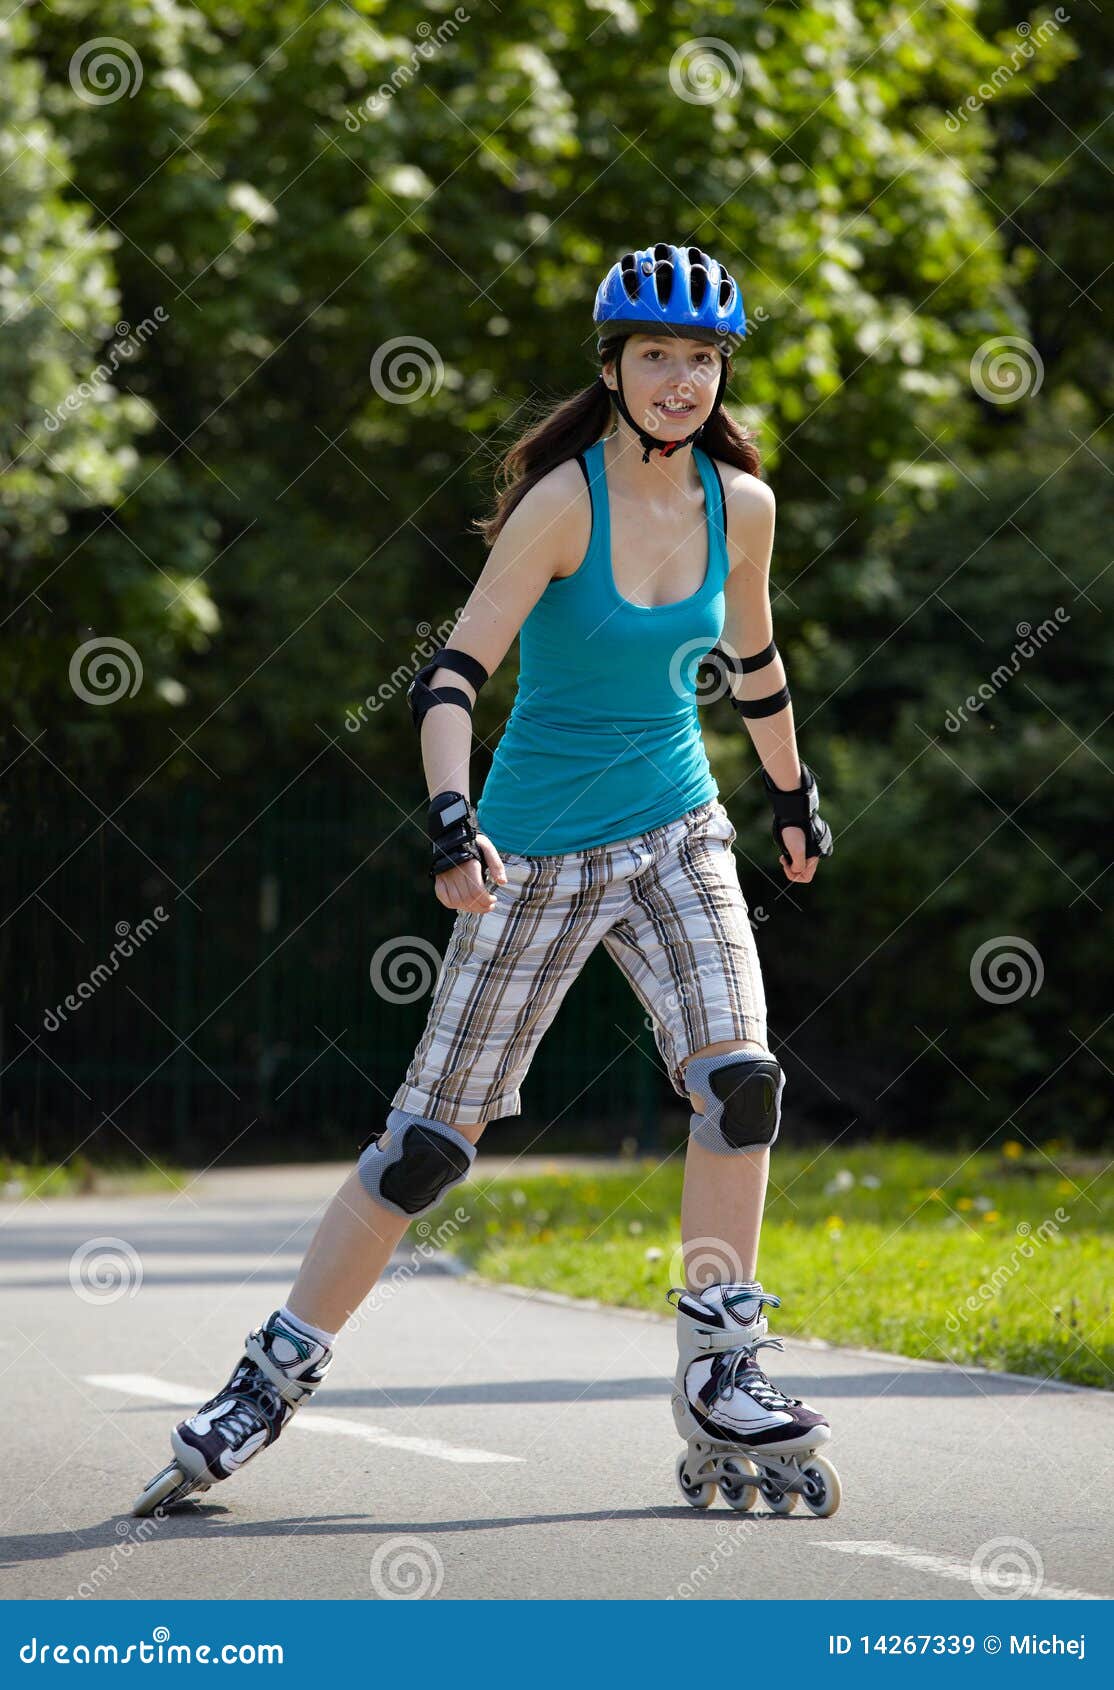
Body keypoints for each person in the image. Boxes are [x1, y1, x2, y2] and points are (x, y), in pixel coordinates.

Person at [132, 241, 838, 1519]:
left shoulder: (747, 503)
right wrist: (455, 823)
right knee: (426, 1151)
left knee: (740, 1082)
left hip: (677, 826)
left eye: (700, 358)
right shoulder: (563, 503)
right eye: (654, 356)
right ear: (612, 368)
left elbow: (756, 661)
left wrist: (790, 797)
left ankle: (719, 1363)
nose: (680, 379)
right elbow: (452, 674)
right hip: (536, 849)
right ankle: (267, 1377)